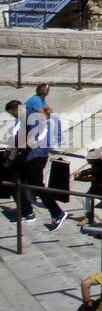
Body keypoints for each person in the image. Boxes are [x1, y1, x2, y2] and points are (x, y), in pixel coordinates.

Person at [5, 99, 66, 231]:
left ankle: (57, 213)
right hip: (28, 157)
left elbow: (30, 141)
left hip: (35, 157)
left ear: (16, 109)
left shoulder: (31, 118)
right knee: (15, 180)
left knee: (37, 186)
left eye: (12, 113)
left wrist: (15, 146)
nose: (13, 116)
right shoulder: (25, 117)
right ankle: (27, 212)